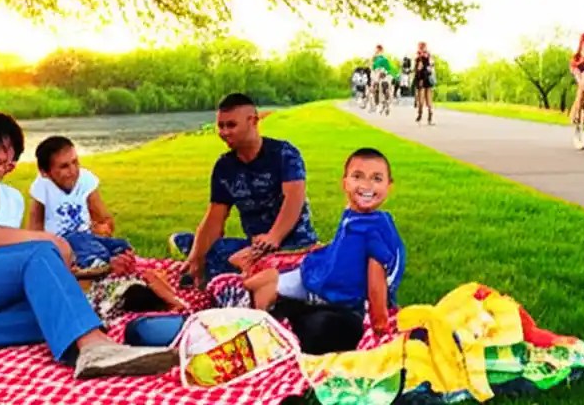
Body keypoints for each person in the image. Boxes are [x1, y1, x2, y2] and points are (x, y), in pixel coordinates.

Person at [0, 111, 177, 379]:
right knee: (43, 260)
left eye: (12, 161)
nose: (7, 167)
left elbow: (4, 262)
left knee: (66, 311)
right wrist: (49, 240)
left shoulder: (10, 199)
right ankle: (95, 349)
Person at [240, 148, 404, 353]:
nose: (366, 185)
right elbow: (345, 244)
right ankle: (246, 289)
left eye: (376, 179)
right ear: (344, 183)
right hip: (317, 271)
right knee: (256, 281)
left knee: (265, 290)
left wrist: (380, 324)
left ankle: (255, 330)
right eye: (357, 177)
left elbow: (376, 279)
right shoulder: (355, 214)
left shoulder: (373, 229)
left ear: (389, 186)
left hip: (327, 290)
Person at [170, 93, 319, 286]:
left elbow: (294, 199)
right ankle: (207, 258)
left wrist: (274, 236)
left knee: (239, 265)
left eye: (231, 125)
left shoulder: (283, 154)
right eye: (221, 126)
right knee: (204, 248)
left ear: (253, 121)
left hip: (292, 242)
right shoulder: (224, 166)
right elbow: (215, 216)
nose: (224, 132)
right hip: (254, 245)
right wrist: (197, 256)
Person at [28, 135, 131, 275]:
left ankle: (102, 260)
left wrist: (103, 228)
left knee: (121, 245)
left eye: (75, 162)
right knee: (75, 238)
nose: (73, 170)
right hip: (60, 244)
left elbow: (105, 220)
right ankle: (96, 263)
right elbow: (34, 229)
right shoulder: (42, 187)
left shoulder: (85, 180)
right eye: (64, 166)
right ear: (45, 172)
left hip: (88, 239)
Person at [413, 42, 435, 124]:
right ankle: (429, 116)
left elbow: (418, 69)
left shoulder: (418, 57)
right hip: (428, 79)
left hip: (421, 79)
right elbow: (432, 66)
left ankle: (420, 114)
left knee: (420, 99)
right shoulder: (429, 56)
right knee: (429, 99)